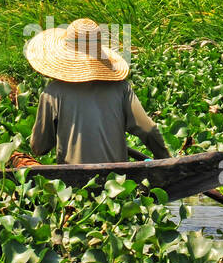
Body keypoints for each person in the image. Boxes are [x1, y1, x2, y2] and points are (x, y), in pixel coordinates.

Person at [26, 18, 171, 164]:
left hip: (72, 183)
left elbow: (39, 147)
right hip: (118, 181)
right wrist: (166, 161)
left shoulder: (52, 93)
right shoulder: (121, 88)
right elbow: (148, 130)